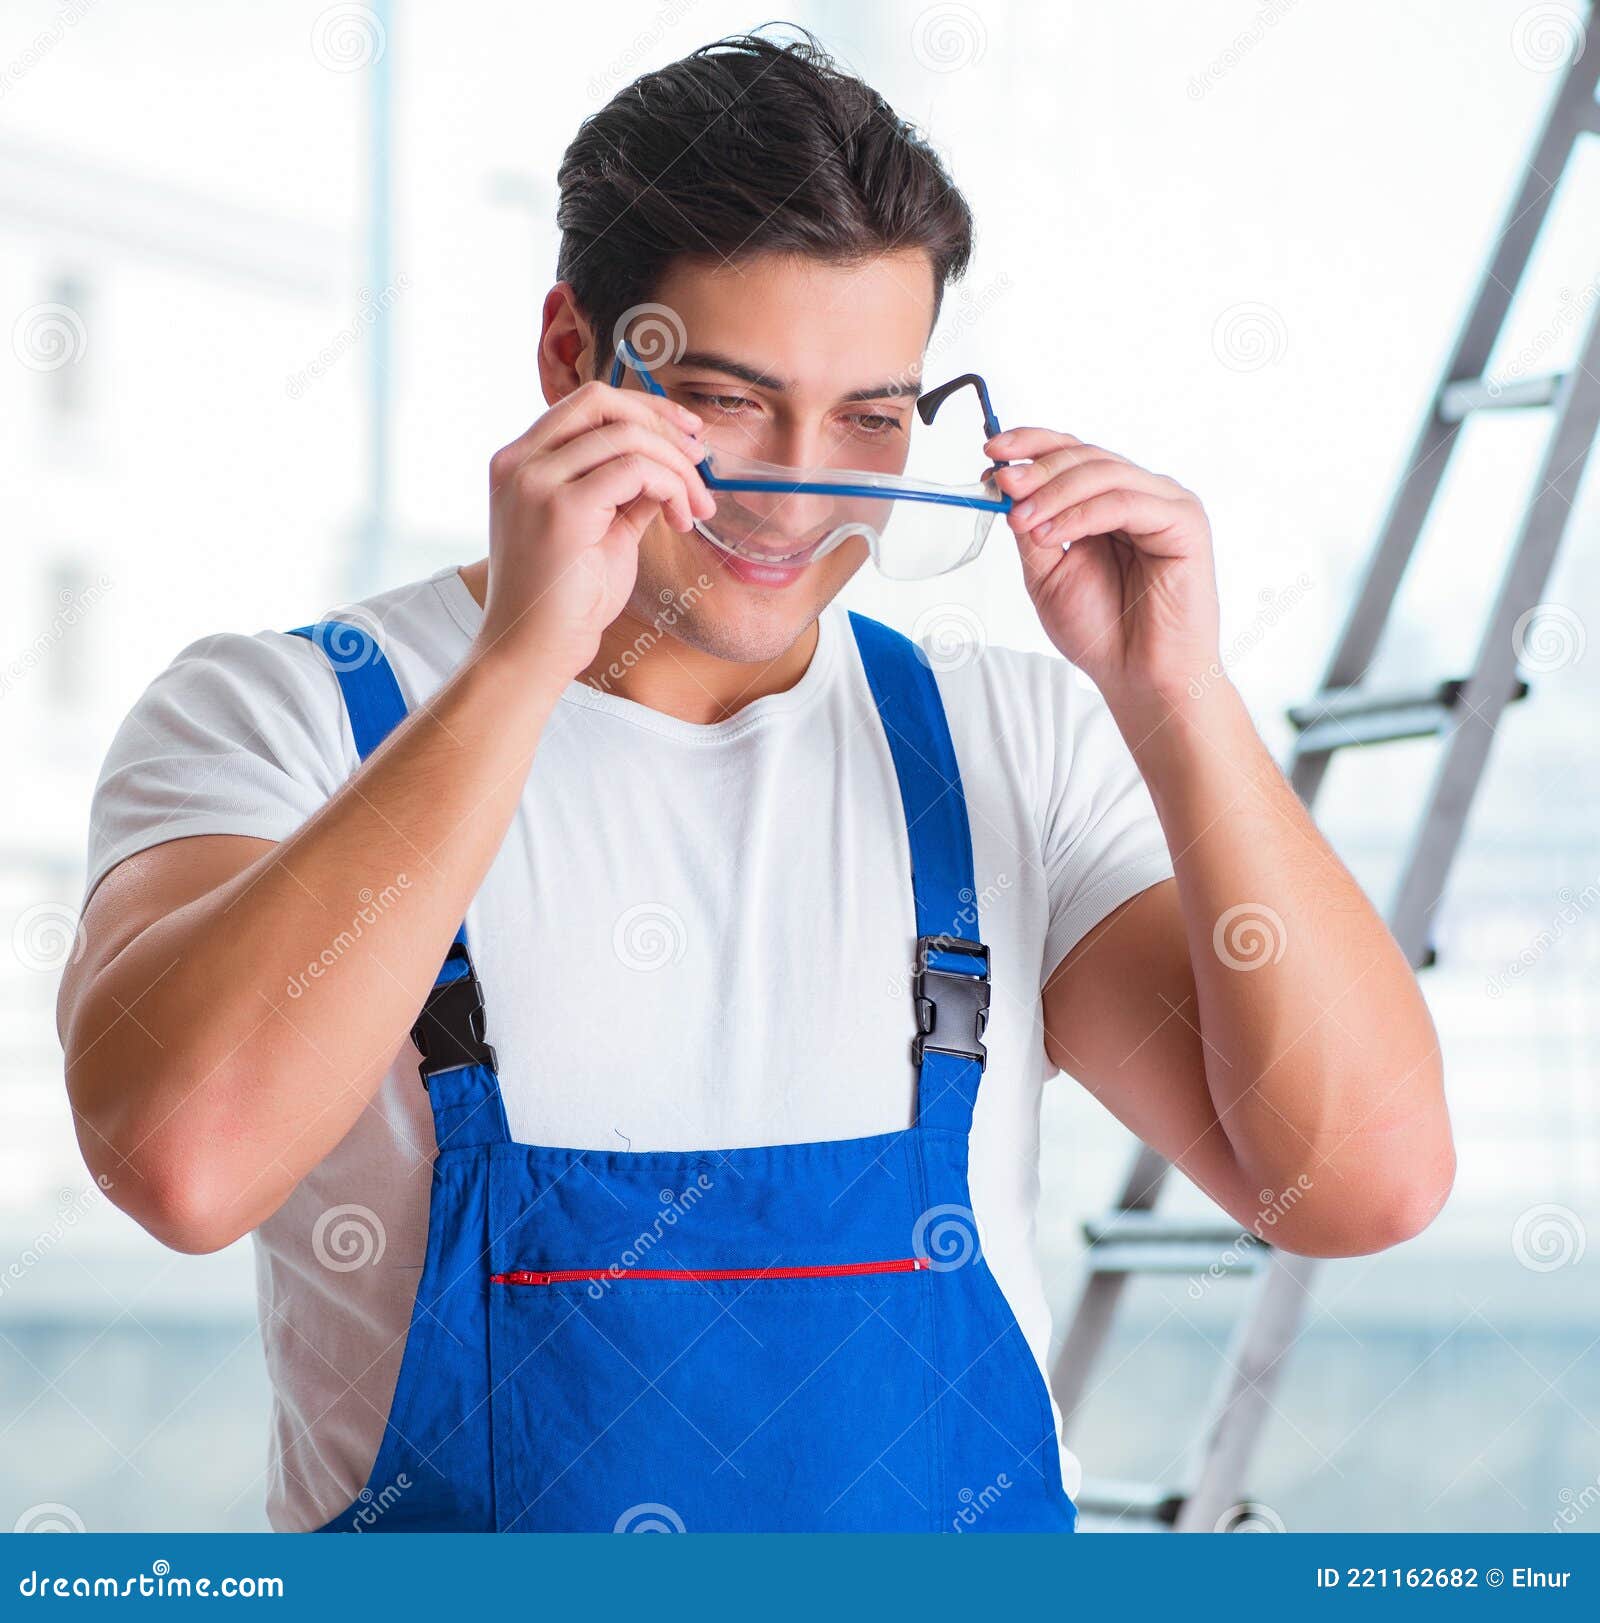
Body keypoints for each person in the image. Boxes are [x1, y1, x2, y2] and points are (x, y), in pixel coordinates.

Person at [57, 32, 1453, 1534]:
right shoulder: (285, 720)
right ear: (569, 357)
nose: (799, 496)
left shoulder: (1009, 745)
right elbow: (183, 1167)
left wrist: (1179, 698)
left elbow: (1356, 1185)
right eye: (727, 401)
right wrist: (525, 659)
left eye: (869, 418)